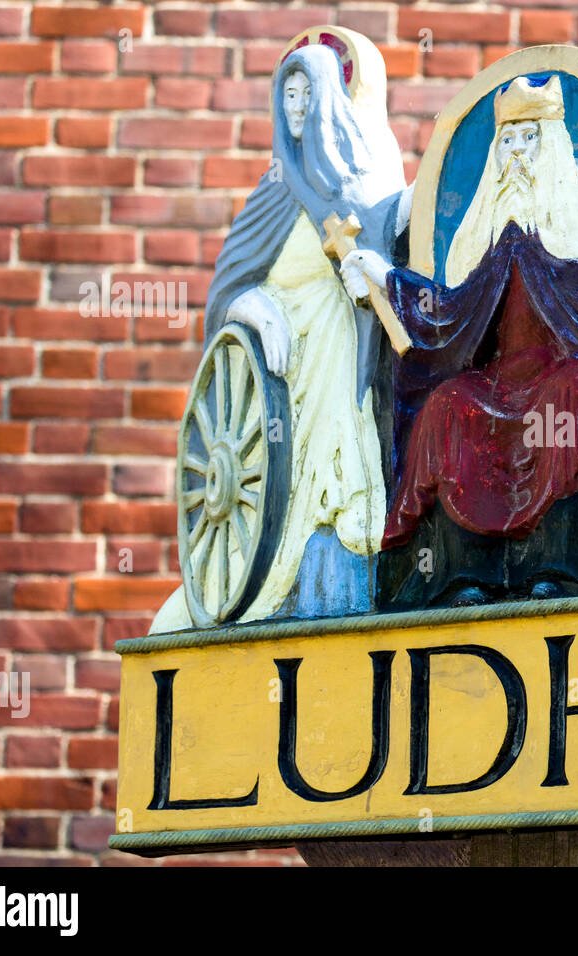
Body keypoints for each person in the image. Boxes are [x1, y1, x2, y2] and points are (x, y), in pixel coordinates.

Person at [341, 75, 578, 607]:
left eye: (530, 139)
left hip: (556, 373)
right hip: (495, 381)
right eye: (508, 141)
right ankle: (464, 576)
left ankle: (560, 568)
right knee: (447, 405)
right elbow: (450, 311)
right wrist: (387, 280)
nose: (518, 153)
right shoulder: (483, 233)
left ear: (550, 149)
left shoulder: (568, 222)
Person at [152, 44, 407, 631]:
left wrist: (368, 272)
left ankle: (337, 582)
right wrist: (255, 305)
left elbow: (383, 258)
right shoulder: (273, 187)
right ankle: (273, 580)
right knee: (289, 470)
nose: (296, 107)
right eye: (286, 95)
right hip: (279, 362)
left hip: (339, 347)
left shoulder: (359, 176)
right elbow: (230, 282)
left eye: (307, 94)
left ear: (329, 101)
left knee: (339, 461)